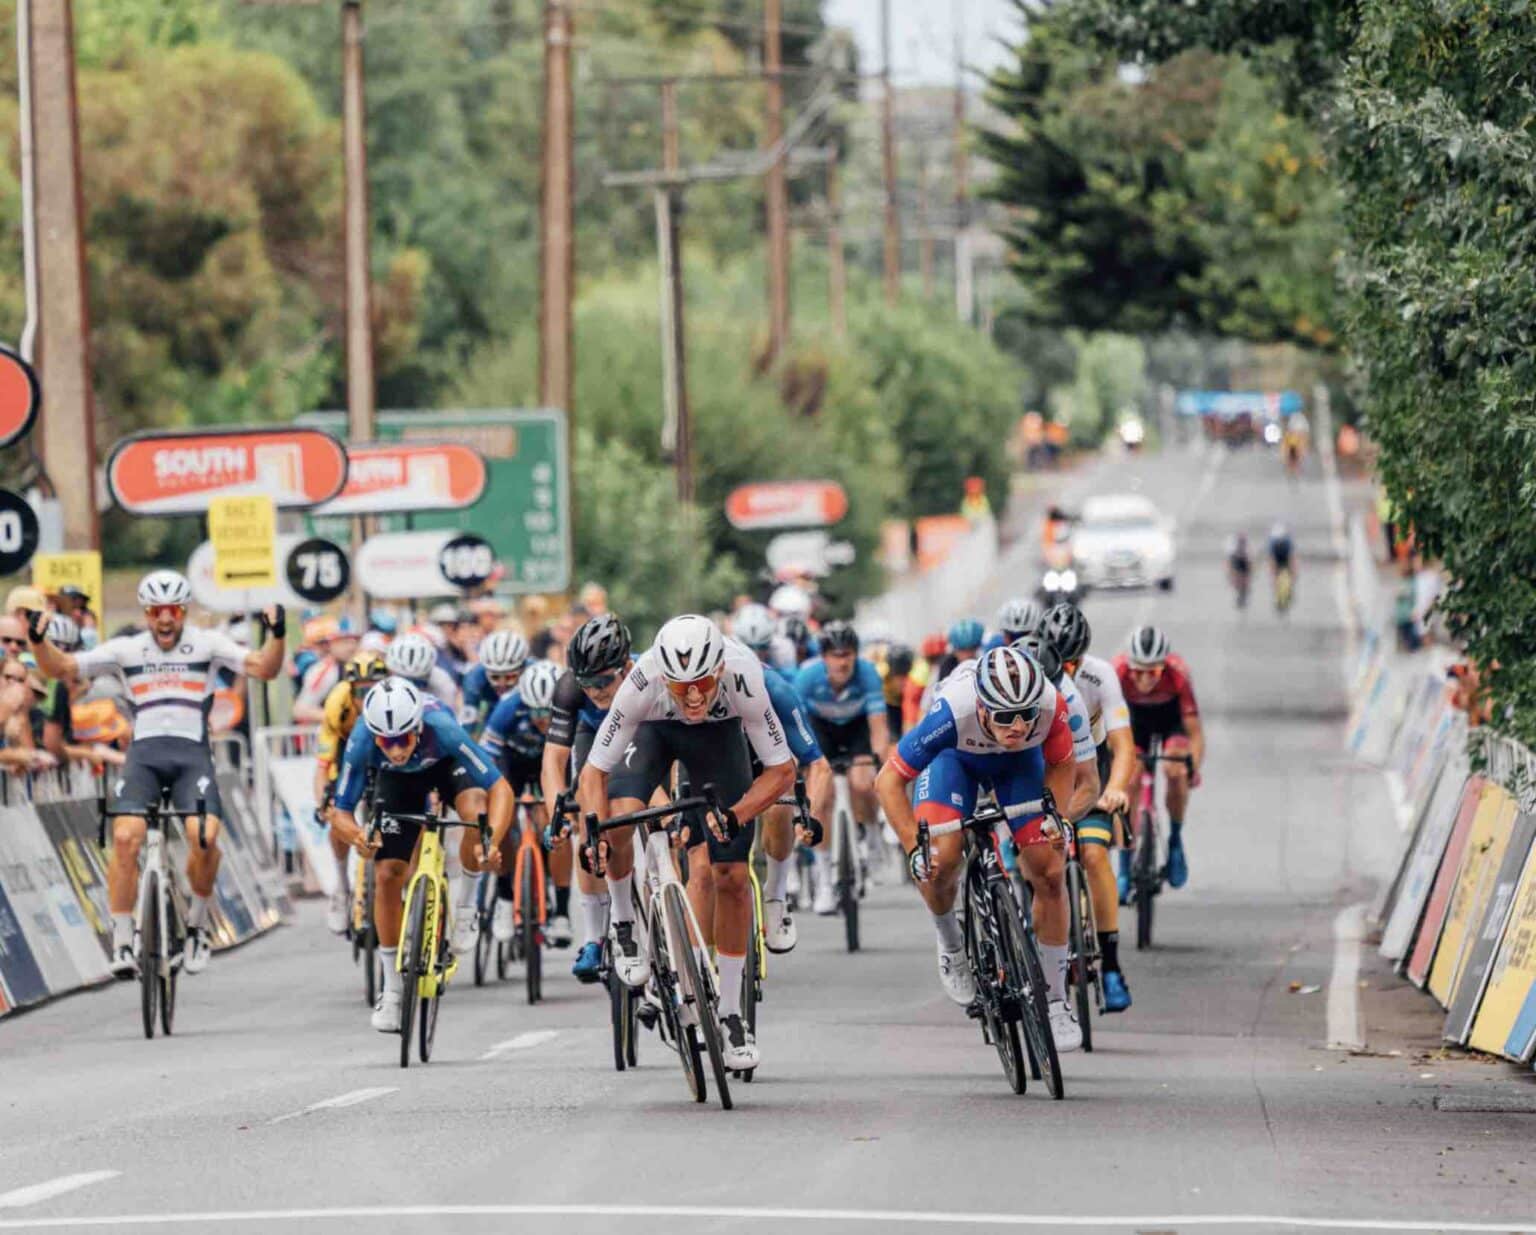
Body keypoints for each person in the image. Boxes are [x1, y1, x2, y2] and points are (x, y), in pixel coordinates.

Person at [29, 570, 286, 976]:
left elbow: (265, 668)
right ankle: (122, 939)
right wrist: (37, 640)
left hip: (191, 757)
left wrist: (277, 635)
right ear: (146, 613)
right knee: (125, 838)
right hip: (144, 758)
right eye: (156, 611)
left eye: (173, 610)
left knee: (204, 838)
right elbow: (60, 666)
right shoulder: (127, 649)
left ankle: (197, 926)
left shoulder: (207, 644)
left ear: (184, 611)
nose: (165, 619)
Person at [576, 615, 796, 1071]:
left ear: (720, 669)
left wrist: (737, 815)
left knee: (731, 874)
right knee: (619, 818)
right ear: (664, 677)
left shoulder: (744, 676)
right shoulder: (641, 683)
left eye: (702, 684)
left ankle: (731, 1014)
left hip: (718, 738)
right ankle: (623, 923)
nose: (693, 697)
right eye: (681, 687)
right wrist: (595, 832)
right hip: (653, 732)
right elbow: (595, 771)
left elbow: (782, 770)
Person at [875, 644, 1084, 1050]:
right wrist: (913, 848)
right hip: (954, 760)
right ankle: (951, 943)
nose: (1018, 725)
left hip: (1019, 765)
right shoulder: (952, 711)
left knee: (1049, 871)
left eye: (1026, 714)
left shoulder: (1049, 704)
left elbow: (1062, 764)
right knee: (940, 861)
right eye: (1005, 716)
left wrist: (1055, 817)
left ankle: (1056, 1000)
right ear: (983, 708)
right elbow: (887, 781)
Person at [328, 678, 514, 1032]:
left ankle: (467, 907)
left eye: (402, 739)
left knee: (476, 811)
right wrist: (358, 836)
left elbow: (500, 788)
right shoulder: (363, 738)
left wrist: (490, 841)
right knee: (386, 873)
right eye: (387, 742)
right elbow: (341, 812)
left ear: (416, 727)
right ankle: (392, 990)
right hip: (398, 782)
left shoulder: (442, 727)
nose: (396, 749)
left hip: (447, 767)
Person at [1041, 603, 1137, 1012]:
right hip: (1047, 770)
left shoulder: (1101, 675)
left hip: (1089, 770)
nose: (1067, 668)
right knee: (1036, 863)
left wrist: (1115, 789)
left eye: (1074, 661)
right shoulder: (1034, 672)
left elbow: (1123, 744)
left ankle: (1111, 966)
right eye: (1060, 660)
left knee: (1095, 855)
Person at [540, 612, 633, 982]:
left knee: (659, 811)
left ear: (625, 668)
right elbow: (553, 761)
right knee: (586, 821)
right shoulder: (568, 688)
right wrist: (557, 814)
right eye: (586, 682)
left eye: (604, 681)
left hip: (640, 732)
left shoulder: (644, 679)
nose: (595, 690)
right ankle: (594, 937)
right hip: (593, 737)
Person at [794, 622, 889, 915]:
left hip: (856, 728)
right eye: (835, 655)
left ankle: (871, 834)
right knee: (820, 800)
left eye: (847, 654)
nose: (842, 662)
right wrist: (801, 760)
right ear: (824, 657)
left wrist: (878, 761)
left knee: (863, 782)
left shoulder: (868, 674)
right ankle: (825, 879)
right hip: (821, 730)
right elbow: (796, 725)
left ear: (856, 655)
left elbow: (878, 727)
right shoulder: (807, 677)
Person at [480, 659, 567, 946]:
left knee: (557, 821)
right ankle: (505, 897)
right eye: (536, 712)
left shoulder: (572, 707)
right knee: (501, 819)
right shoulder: (507, 708)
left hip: (551, 761)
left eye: (549, 711)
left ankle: (561, 911)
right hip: (512, 763)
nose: (543, 719)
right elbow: (485, 760)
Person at [1113, 626, 1203, 893]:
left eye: (1152, 672)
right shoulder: (1116, 673)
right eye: (1138, 672)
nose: (1144, 680)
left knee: (1175, 769)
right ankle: (1124, 864)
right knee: (1130, 780)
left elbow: (1194, 733)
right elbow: (1104, 725)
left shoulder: (1178, 675)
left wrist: (1192, 767)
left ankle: (1175, 840)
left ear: (1163, 667)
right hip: (1134, 722)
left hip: (1169, 721)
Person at [314, 653, 389, 933]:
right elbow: (323, 766)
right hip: (348, 751)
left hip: (384, 750)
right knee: (336, 811)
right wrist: (323, 801)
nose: (365, 698)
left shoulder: (392, 702)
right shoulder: (337, 704)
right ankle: (342, 886)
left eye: (371, 690)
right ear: (350, 689)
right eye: (360, 691)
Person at [461, 628, 531, 730]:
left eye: (510, 677)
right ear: (485, 671)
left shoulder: (534, 672)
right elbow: (467, 724)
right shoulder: (474, 679)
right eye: (495, 677)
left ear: (522, 669)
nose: (502, 684)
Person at [386, 631, 462, 711]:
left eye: (418, 682)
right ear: (391, 672)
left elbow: (448, 711)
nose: (411, 687)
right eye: (403, 680)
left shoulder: (442, 682)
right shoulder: (382, 679)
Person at [1228, 533, 1252, 610]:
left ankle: (1243, 592)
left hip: (1244, 562)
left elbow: (1249, 563)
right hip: (1237, 561)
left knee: (1244, 579)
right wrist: (1231, 573)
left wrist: (1249, 573)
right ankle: (1239, 590)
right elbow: (1230, 562)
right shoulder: (1233, 548)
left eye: (1242, 542)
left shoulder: (1247, 548)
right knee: (1238, 577)